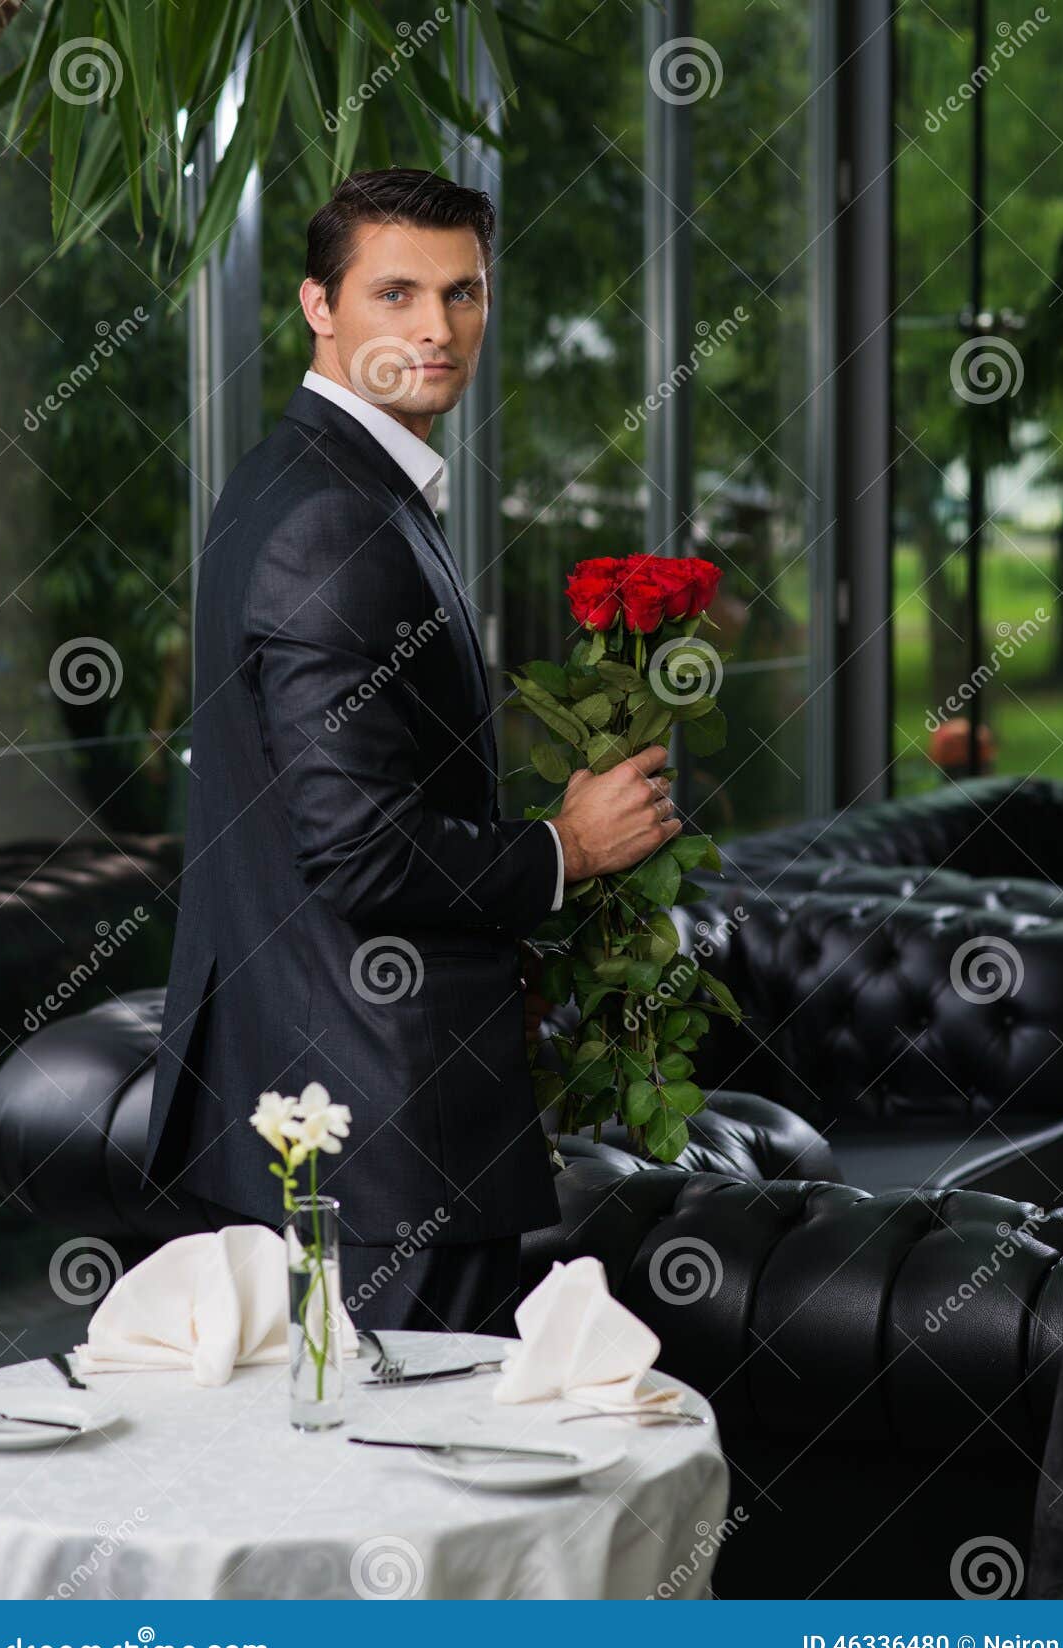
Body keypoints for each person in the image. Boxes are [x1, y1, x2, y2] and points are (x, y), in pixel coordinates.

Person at [142, 167, 681, 1336]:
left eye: (463, 293)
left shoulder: (313, 478)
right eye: (396, 292)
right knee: (406, 1482)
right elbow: (358, 851)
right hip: (376, 1127)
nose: (436, 328)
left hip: (328, 1102)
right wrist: (560, 851)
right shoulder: (333, 519)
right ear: (318, 307)